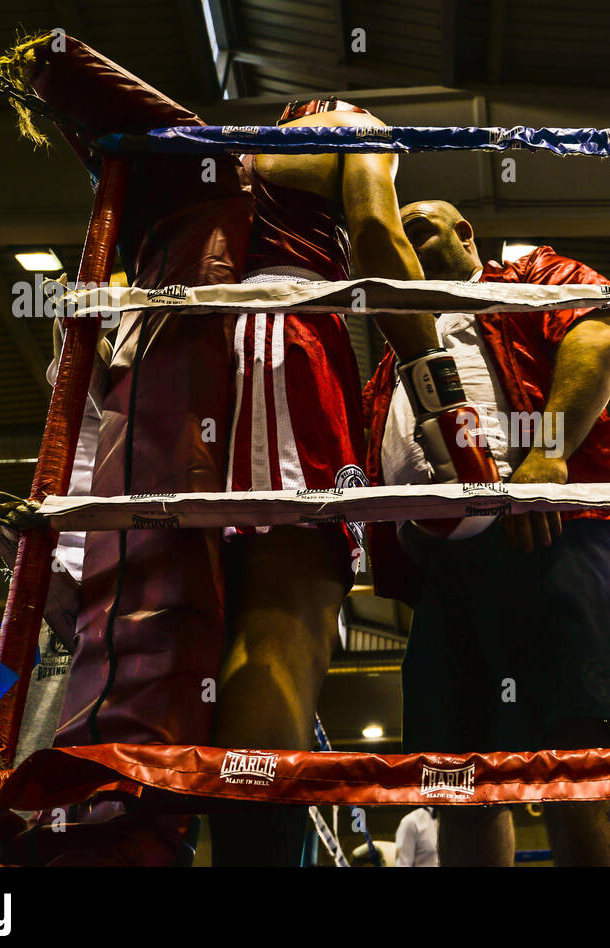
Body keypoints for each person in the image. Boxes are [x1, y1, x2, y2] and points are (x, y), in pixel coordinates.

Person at [210, 105, 497, 866]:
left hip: (182, 363)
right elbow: (376, 237)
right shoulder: (347, 126)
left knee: (196, 622)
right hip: (280, 333)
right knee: (284, 603)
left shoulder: (217, 162)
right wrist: (445, 400)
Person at [362, 200, 610, 866]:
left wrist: (547, 454)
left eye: (420, 228)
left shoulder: (529, 273)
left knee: (576, 757)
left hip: (553, 529)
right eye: (391, 236)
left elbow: (597, 336)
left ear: (466, 234)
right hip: (443, 573)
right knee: (460, 779)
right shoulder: (390, 356)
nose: (402, 240)